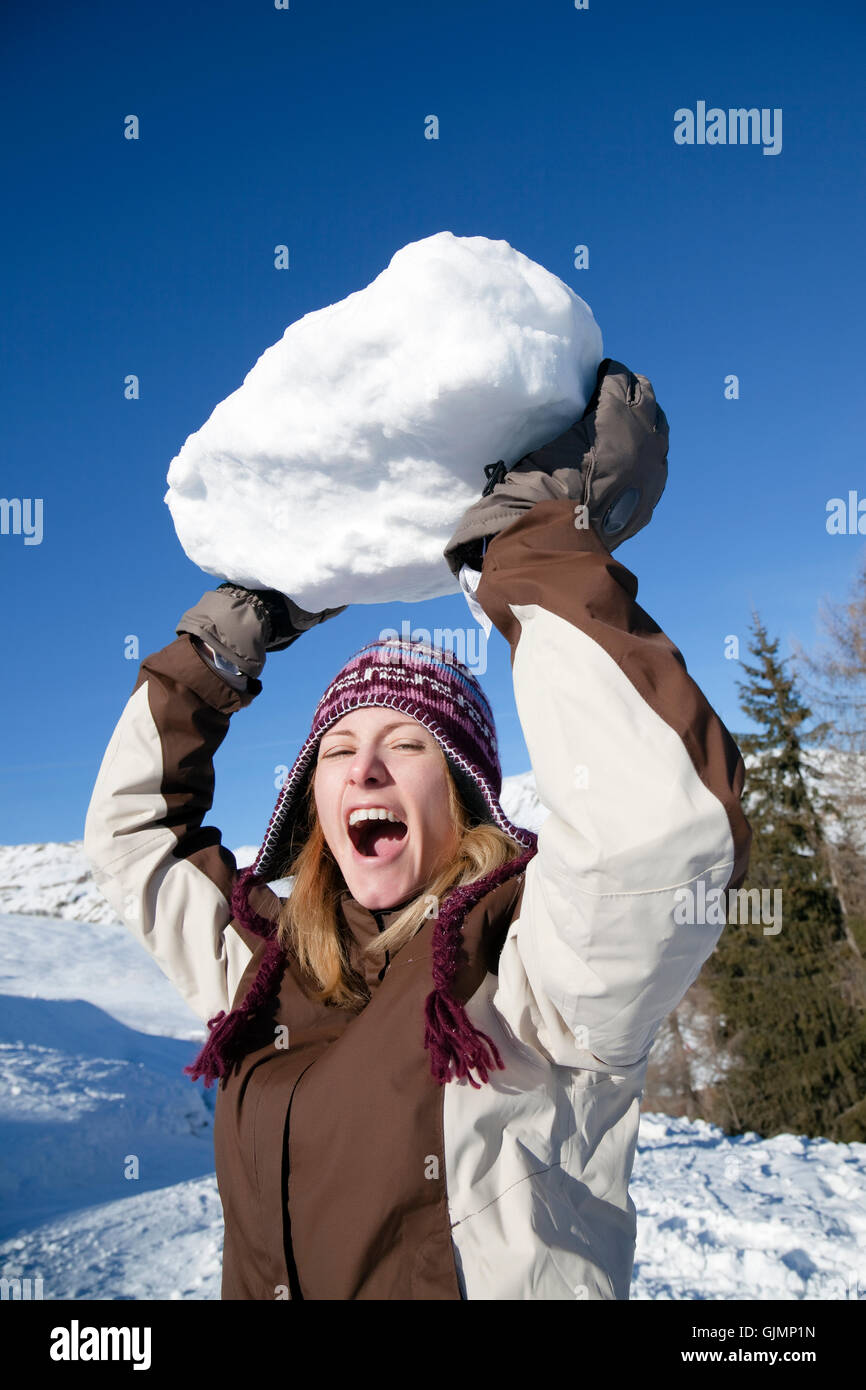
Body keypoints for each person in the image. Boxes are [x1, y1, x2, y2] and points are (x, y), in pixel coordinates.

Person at [83, 359, 751, 1300]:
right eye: (336, 749)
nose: (362, 769)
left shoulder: (532, 968)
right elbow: (134, 838)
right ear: (311, 802)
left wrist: (533, 553)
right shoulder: (266, 965)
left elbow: (660, 839)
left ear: (468, 795)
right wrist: (225, 646)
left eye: (408, 744)